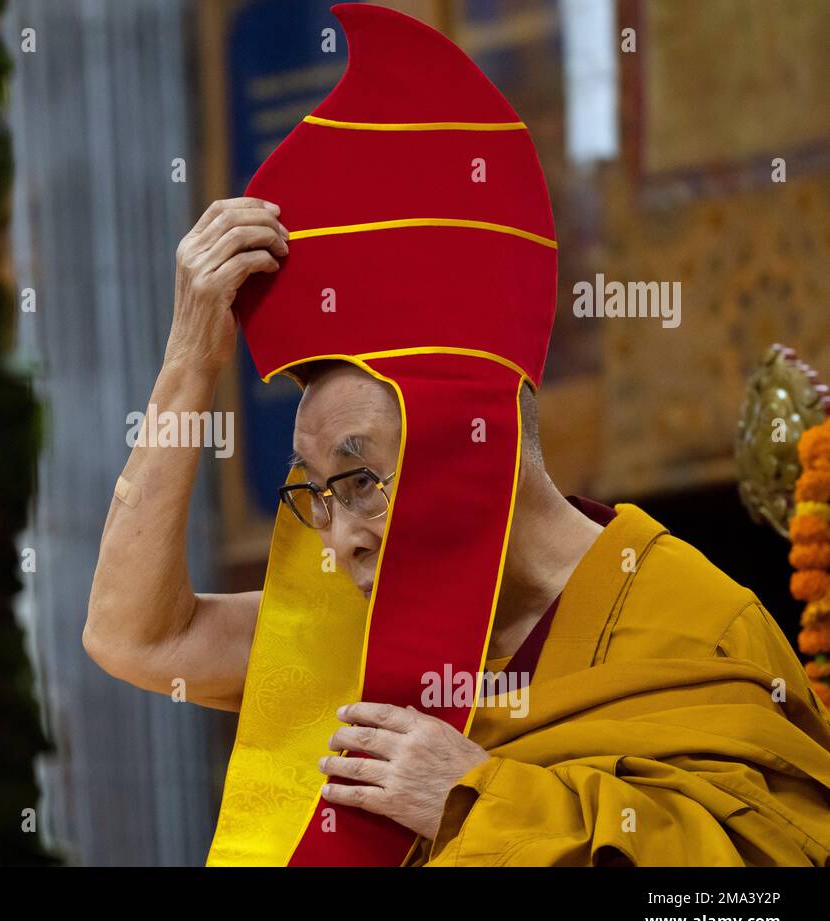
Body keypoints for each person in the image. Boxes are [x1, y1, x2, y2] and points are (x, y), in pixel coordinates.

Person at [85, 3, 830, 866]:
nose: (336, 544)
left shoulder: (695, 628)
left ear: (476, 447)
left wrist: (478, 799)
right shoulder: (352, 622)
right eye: (314, 493)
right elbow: (134, 638)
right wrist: (187, 364)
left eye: (359, 480)